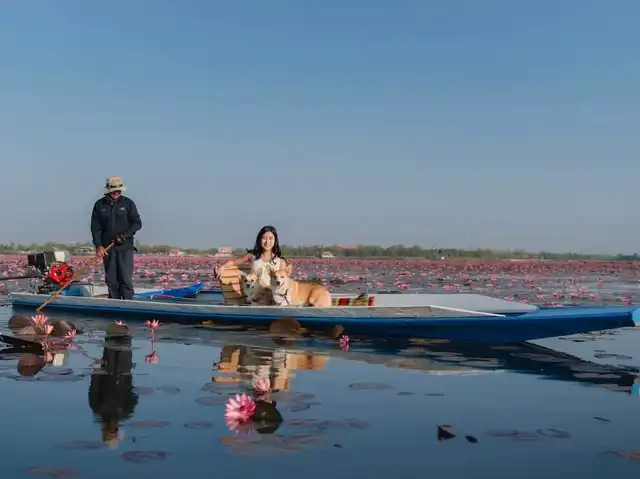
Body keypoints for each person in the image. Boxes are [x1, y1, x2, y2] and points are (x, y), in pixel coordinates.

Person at [90, 177, 142, 300]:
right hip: (108, 248)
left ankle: (129, 303)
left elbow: (137, 223)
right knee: (111, 280)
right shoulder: (99, 205)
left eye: (119, 190)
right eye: (114, 190)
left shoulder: (128, 203)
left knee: (125, 279)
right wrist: (98, 246)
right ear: (108, 190)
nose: (117, 193)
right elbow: (95, 228)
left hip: (125, 247)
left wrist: (125, 236)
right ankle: (114, 302)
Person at [215, 225, 292, 287]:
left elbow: (283, 283)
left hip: (272, 296)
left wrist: (288, 271)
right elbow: (232, 262)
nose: (267, 242)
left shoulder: (280, 262)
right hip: (254, 295)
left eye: (271, 238)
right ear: (259, 239)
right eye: (264, 238)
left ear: (275, 241)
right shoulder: (252, 256)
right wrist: (222, 267)